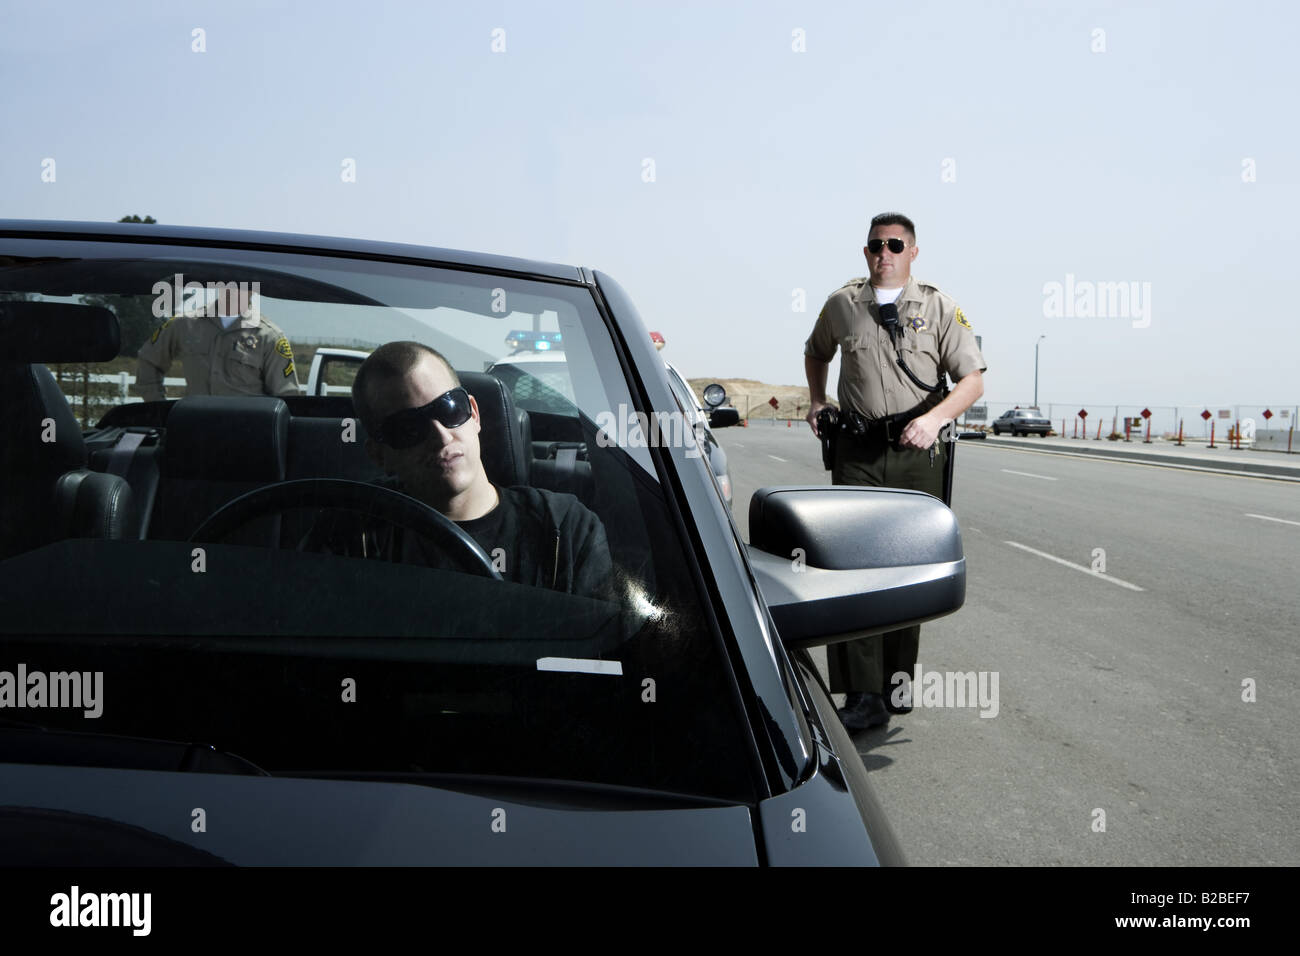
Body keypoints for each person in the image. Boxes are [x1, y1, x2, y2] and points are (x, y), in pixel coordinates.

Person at [804, 212, 986, 731]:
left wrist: (934, 420)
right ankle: (861, 694)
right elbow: (816, 352)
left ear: (913, 252)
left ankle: (894, 684)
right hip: (857, 451)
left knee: (909, 570)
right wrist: (818, 401)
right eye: (874, 246)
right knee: (852, 568)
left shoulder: (939, 307)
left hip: (916, 452)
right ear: (865, 252)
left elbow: (972, 381)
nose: (884, 253)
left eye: (894, 245)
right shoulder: (842, 304)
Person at [307, 341, 614, 600]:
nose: (441, 436)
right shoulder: (349, 534)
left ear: (474, 413)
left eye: (449, 408)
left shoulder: (564, 531)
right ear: (379, 454)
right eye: (409, 428)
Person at [135, 285, 298, 400]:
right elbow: (148, 359)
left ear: (254, 290)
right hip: (193, 434)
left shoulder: (269, 336)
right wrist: (159, 409)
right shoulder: (184, 324)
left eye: (243, 282)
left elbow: (286, 396)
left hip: (248, 437)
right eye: (228, 280)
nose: (233, 287)